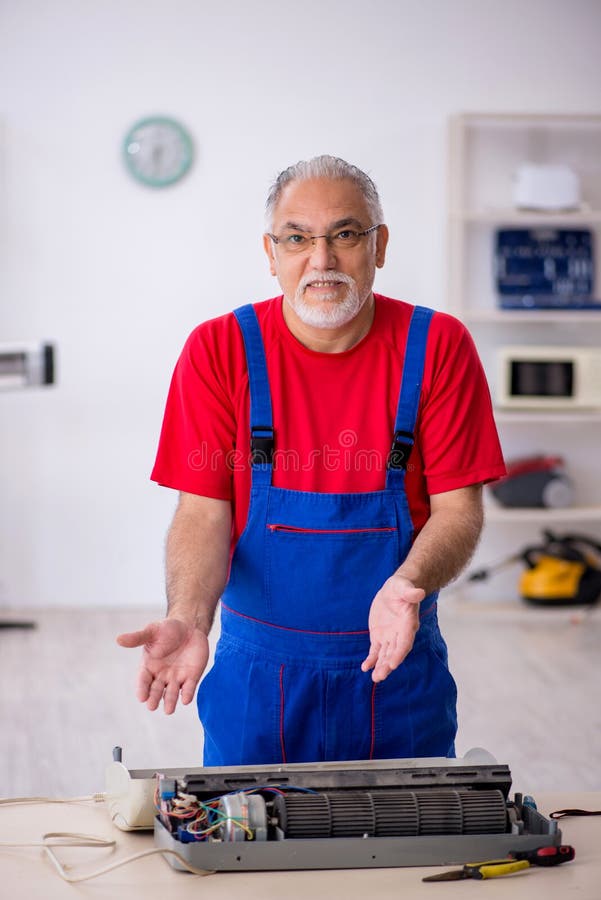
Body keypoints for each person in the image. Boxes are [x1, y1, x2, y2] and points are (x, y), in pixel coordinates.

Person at [117, 155, 505, 767]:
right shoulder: (218, 351)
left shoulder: (438, 346)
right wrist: (190, 619)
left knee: (405, 852)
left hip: (395, 666)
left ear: (379, 247)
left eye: (345, 235)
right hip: (256, 681)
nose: (321, 259)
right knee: (247, 841)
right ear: (271, 254)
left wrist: (408, 586)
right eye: (297, 238)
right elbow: (203, 511)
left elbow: (459, 510)